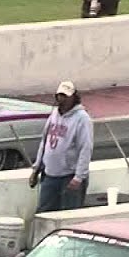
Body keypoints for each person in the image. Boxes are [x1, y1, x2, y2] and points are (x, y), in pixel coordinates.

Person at [30, 81, 94, 213]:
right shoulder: (54, 114)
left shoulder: (82, 118)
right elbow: (45, 141)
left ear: (73, 97)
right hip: (50, 174)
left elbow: (85, 148)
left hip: (69, 176)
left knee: (68, 213)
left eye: (65, 96)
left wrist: (79, 177)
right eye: (60, 96)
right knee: (44, 212)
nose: (62, 99)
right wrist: (36, 169)